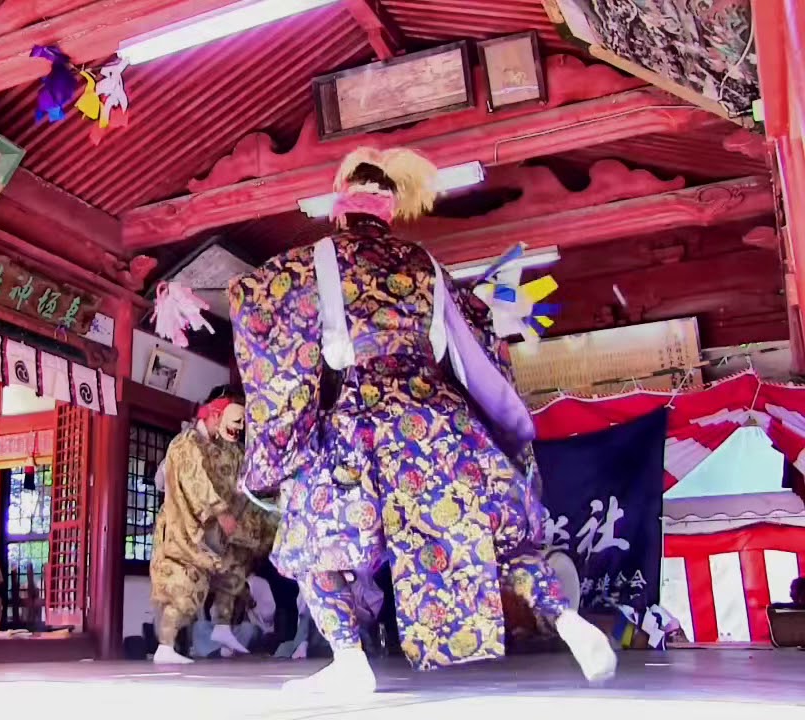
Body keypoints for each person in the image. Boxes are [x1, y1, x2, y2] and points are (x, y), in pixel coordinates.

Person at [230, 147, 615, 693]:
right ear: (389, 211)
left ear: (340, 210)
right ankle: (569, 620)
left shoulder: (314, 262)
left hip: (361, 421)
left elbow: (261, 309)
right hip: (439, 418)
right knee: (495, 535)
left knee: (315, 540)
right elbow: (473, 340)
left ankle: (348, 660)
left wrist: (279, 438)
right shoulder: (424, 264)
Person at [149, 386, 274, 663]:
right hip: (184, 529)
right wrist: (220, 511)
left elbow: (238, 482)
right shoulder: (186, 443)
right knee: (182, 586)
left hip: (210, 531)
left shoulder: (223, 449)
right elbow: (195, 481)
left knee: (232, 572)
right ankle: (165, 648)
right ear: (216, 415)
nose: (237, 428)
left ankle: (222, 628)